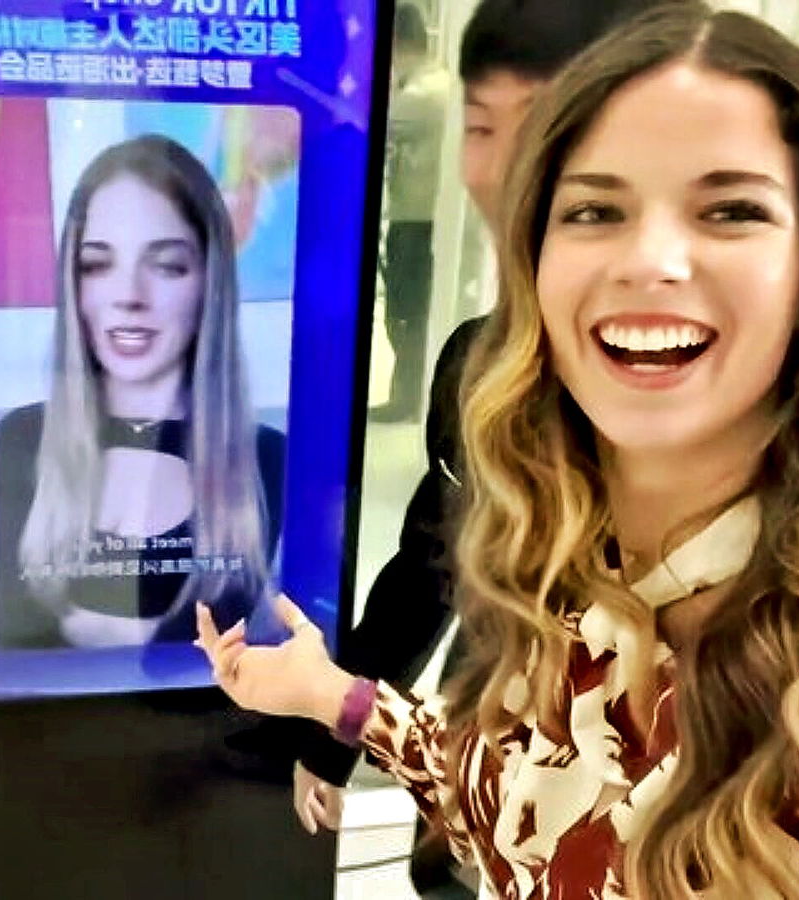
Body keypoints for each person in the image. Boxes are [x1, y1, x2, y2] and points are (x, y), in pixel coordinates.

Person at [200, 4, 799, 897]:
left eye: (731, 210)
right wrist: (334, 699)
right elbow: (516, 800)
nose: (653, 258)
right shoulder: (578, 607)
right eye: (596, 209)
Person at [289, 1, 680, 895]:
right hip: (484, 758)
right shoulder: (480, 361)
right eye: (486, 126)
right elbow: (432, 560)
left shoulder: (745, 406)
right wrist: (335, 736)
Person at [0, 135, 286, 650]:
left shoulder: (263, 460)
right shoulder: (20, 440)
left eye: (167, 265)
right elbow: (7, 656)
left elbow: (200, 680)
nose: (128, 296)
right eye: (98, 265)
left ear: (209, 280)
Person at [370, 2, 448, 423]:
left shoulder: (422, 94)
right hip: (416, 219)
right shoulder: (433, 85)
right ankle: (409, 395)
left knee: (406, 312)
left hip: (417, 223)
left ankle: (408, 398)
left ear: (396, 43)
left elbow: (366, 125)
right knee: (407, 310)